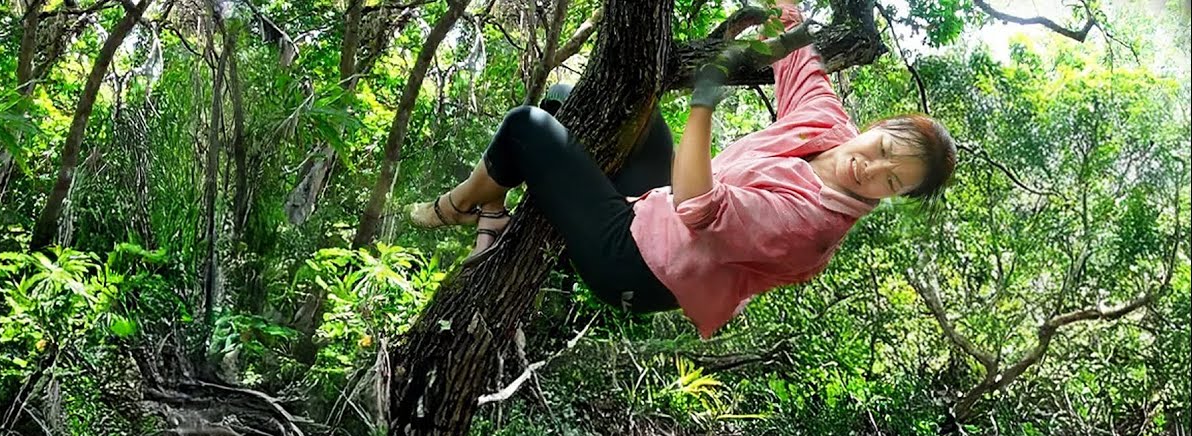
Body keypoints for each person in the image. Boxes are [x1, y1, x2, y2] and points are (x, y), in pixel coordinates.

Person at [408, 1, 956, 339]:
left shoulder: (811, 229)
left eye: (890, 180)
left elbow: (701, 207)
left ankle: (456, 206)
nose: (870, 167)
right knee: (567, 99)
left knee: (529, 127)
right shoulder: (828, 122)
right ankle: (493, 213)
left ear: (893, 196)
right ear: (878, 125)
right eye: (884, 147)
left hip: (640, 267)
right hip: (660, 211)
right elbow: (794, 37)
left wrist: (704, 101)